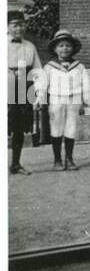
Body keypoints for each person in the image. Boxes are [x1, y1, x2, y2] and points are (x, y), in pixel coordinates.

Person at [34, 30, 90, 171]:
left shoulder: (79, 67)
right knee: (56, 128)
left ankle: (69, 159)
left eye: (68, 45)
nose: (64, 48)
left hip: (74, 100)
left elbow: (85, 84)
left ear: (73, 48)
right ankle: (57, 160)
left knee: (71, 128)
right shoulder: (49, 67)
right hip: (56, 99)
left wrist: (88, 99)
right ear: (55, 49)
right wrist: (39, 98)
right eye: (61, 46)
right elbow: (42, 84)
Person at [7, 11, 40, 175]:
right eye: (15, 25)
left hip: (24, 87)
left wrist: (38, 93)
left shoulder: (30, 46)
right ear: (7, 27)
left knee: (18, 127)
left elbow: (37, 70)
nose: (18, 28)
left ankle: (15, 163)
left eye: (21, 24)